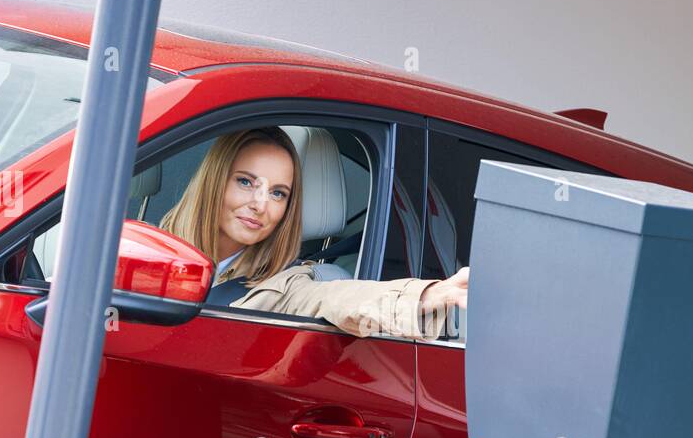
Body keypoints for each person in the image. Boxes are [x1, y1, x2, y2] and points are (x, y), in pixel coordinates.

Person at [159, 127, 468, 339]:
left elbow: (338, 298)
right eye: (246, 182)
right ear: (214, 180)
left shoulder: (283, 286)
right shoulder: (147, 246)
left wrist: (426, 296)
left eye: (278, 193)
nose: (260, 204)